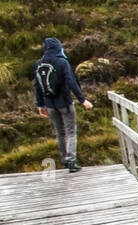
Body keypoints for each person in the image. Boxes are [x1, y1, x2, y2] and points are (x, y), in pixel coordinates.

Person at [33, 37, 93, 173]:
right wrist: (83, 100)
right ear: (59, 47)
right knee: (71, 132)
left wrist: (40, 105)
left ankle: (64, 159)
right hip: (65, 103)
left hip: (50, 105)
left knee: (60, 133)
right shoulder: (62, 62)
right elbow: (71, 82)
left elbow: (36, 86)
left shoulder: (38, 64)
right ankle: (71, 160)